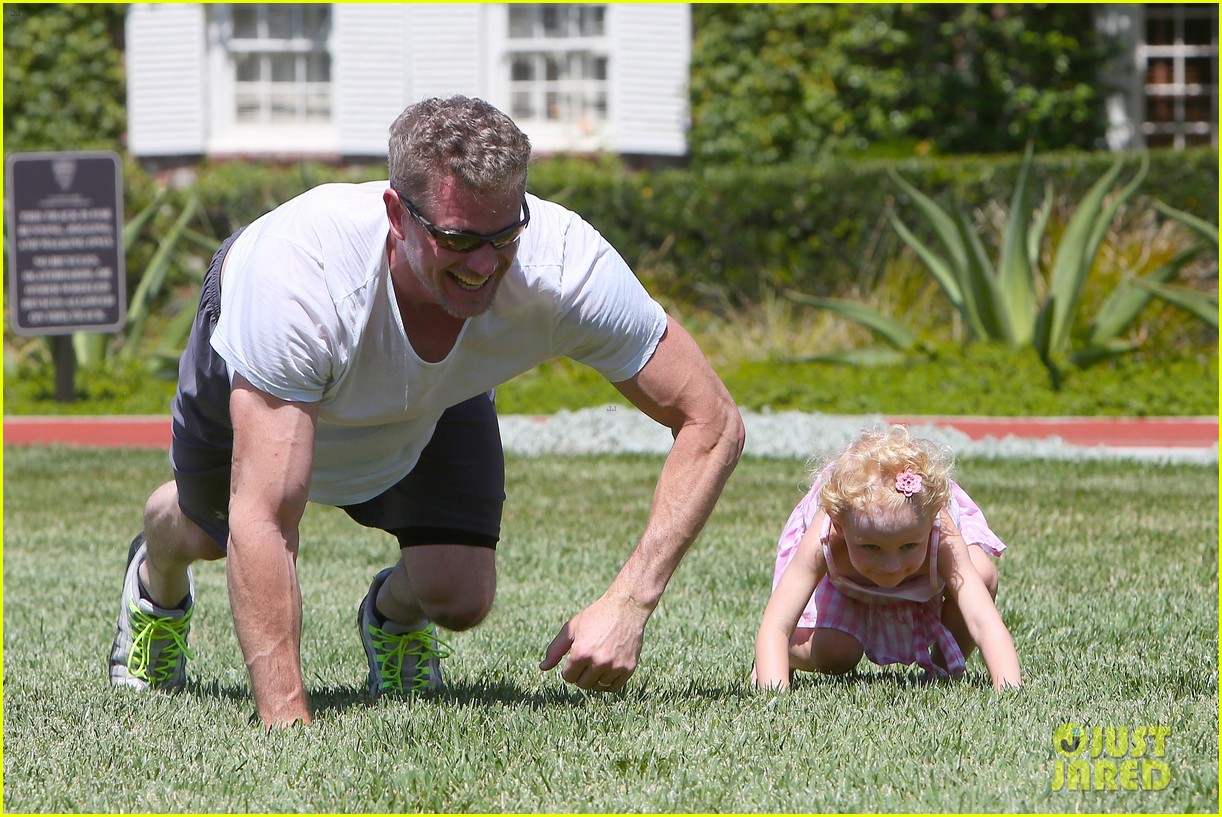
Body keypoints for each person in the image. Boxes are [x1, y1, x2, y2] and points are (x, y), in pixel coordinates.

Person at [109, 95, 745, 727]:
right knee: (210, 532)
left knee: (460, 595)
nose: (484, 264)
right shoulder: (301, 280)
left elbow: (711, 421)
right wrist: (286, 725)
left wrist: (628, 603)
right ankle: (156, 569)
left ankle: (389, 615)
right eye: (458, 238)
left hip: (433, 388)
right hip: (255, 354)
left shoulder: (565, 269)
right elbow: (268, 517)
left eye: (503, 236)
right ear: (396, 214)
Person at [753, 425, 1020, 691]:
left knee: (981, 574)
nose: (891, 566)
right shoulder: (826, 535)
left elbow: (983, 621)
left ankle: (944, 671)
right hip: (845, 583)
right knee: (837, 652)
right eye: (871, 547)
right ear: (840, 527)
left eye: (909, 546)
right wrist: (774, 693)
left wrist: (1009, 689)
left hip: (926, 550)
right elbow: (776, 624)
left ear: (930, 525)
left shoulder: (939, 529)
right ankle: (786, 655)